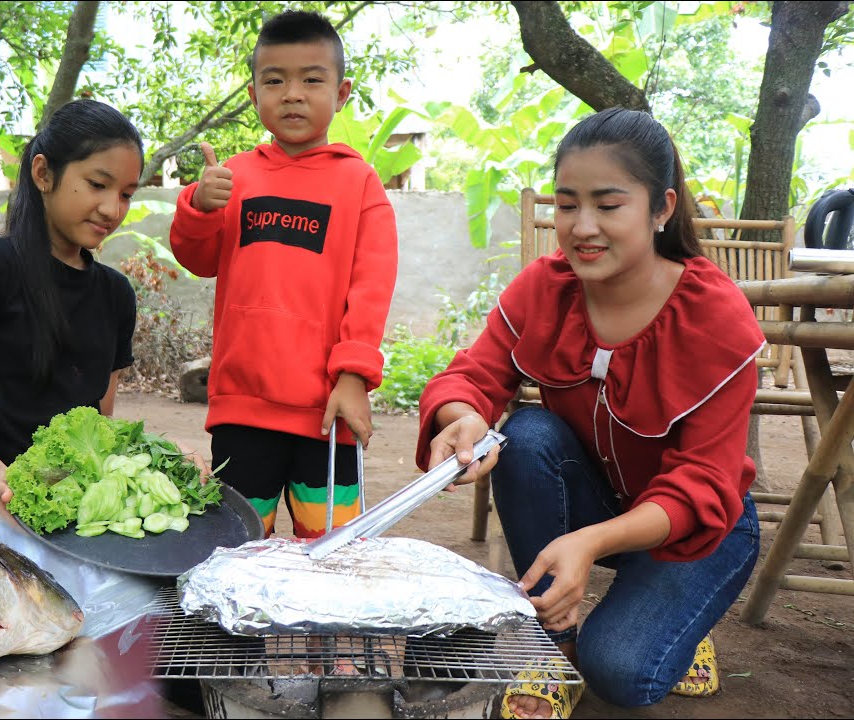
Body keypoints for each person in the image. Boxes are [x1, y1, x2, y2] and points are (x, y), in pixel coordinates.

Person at [416, 107, 763, 718]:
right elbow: (473, 373)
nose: (582, 226)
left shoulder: (714, 317)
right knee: (524, 435)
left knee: (621, 673)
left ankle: (680, 621)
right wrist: (462, 413)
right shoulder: (545, 288)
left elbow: (704, 483)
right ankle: (549, 643)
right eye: (567, 203)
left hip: (698, 528)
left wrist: (589, 542)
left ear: (661, 209)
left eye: (608, 204)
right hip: (600, 498)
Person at [169, 9, 398, 539]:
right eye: (275, 80)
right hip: (241, 408)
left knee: (333, 551)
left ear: (341, 94)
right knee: (237, 548)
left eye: (311, 80)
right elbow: (197, 258)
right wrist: (200, 206)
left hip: (327, 411)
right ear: (254, 95)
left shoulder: (359, 184)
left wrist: (353, 376)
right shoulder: (234, 176)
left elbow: (372, 289)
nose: (292, 94)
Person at [0, 99, 144, 510]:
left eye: (126, 194)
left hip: (67, 511)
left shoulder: (117, 295)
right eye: (98, 184)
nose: (112, 209)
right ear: (44, 173)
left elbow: (98, 420)